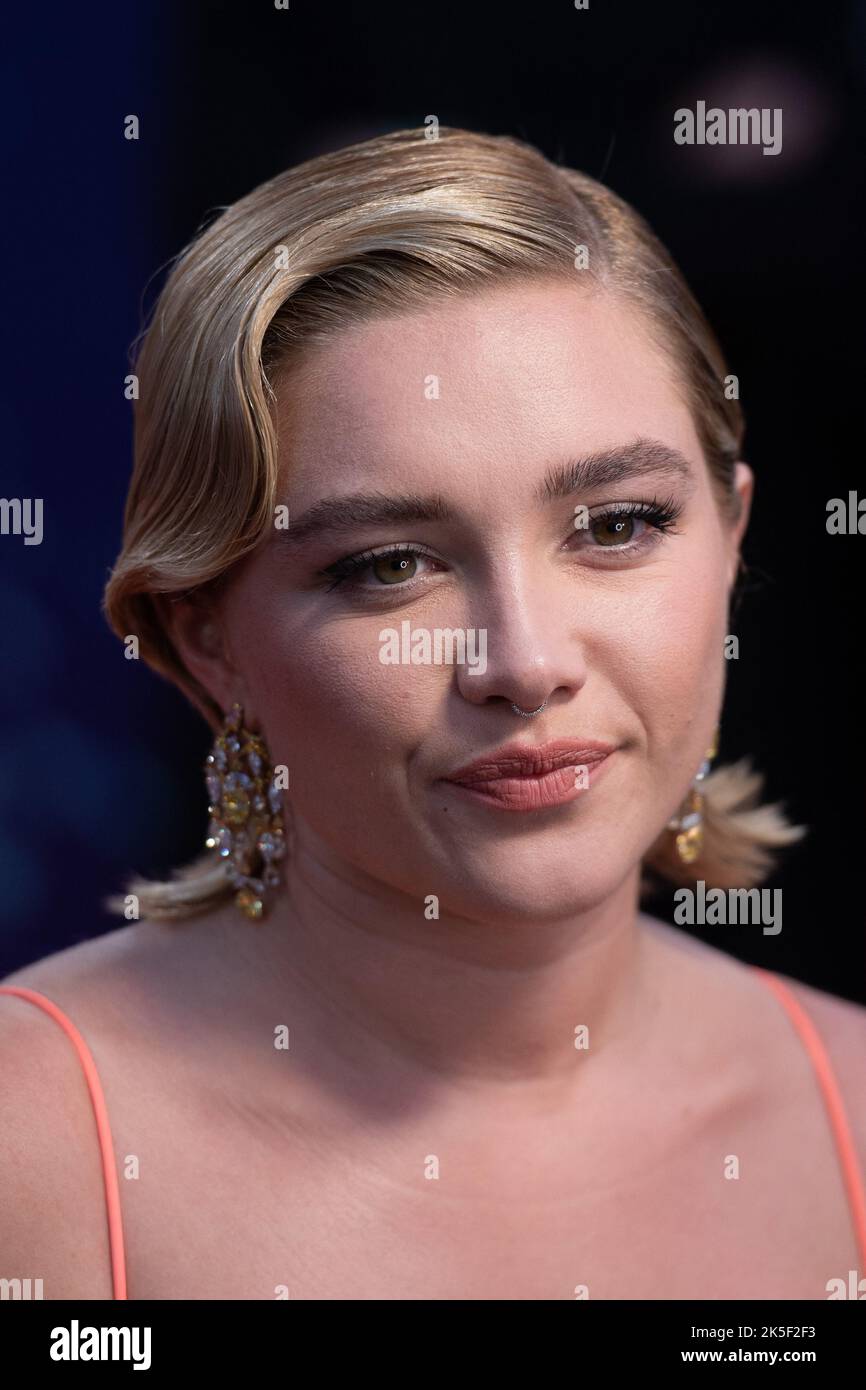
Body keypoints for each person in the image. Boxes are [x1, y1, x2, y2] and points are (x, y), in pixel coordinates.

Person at [2, 126, 864, 1302]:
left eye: (616, 525)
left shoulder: (853, 1108)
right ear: (206, 638)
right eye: (388, 563)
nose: (522, 661)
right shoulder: (31, 1146)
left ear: (730, 539)